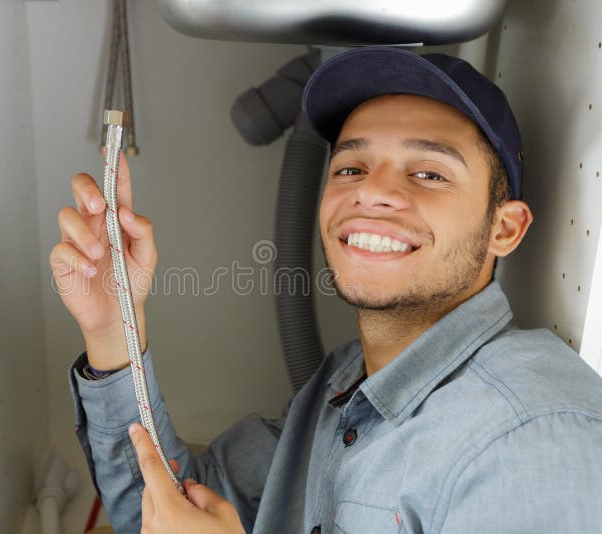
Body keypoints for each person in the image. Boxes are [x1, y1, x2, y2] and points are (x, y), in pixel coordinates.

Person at [50, 46, 602, 533]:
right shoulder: (339, 389)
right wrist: (111, 325)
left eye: (429, 173)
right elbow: (166, 510)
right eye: (351, 168)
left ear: (504, 229)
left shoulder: (531, 439)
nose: (374, 192)